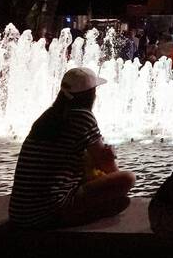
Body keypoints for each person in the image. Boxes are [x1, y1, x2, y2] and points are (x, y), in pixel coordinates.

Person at [9, 68, 136, 228]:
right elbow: (108, 167)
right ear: (91, 94)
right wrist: (110, 157)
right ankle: (76, 217)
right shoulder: (83, 117)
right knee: (128, 179)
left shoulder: (47, 117)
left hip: (19, 213)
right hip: (48, 213)